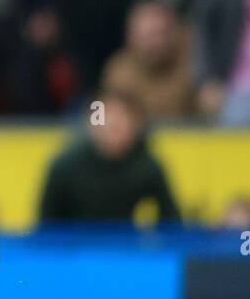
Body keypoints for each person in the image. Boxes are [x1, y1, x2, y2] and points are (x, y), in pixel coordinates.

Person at [38, 88, 181, 225]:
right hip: (73, 246)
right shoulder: (65, 165)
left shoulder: (147, 166)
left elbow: (171, 221)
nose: (112, 124)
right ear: (90, 123)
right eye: (105, 118)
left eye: (122, 118)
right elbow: (46, 225)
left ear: (136, 125)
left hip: (125, 245)